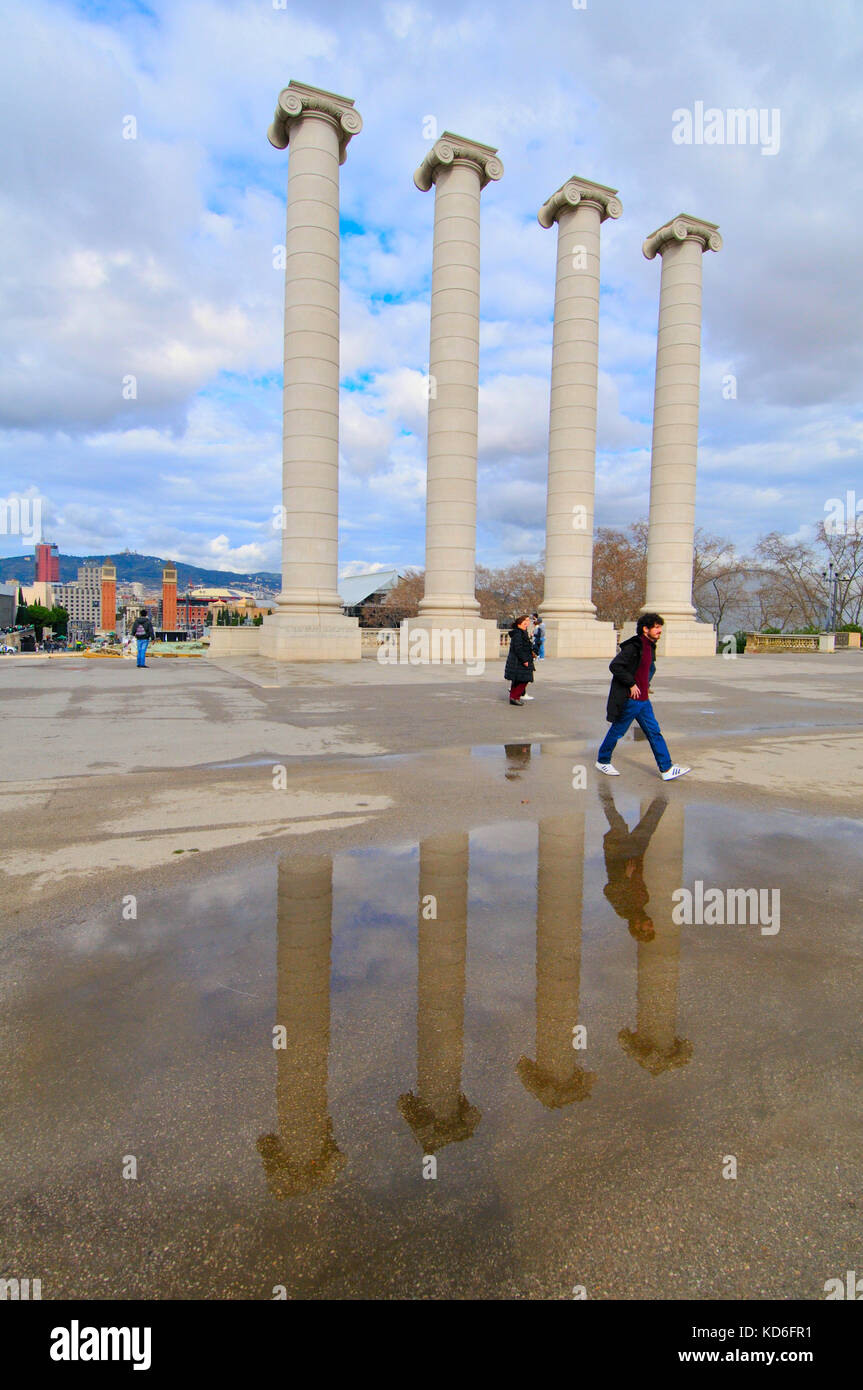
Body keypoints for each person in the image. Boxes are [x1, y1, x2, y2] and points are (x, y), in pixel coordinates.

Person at [595, 612, 690, 781]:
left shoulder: (650, 646)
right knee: (618, 731)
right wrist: (631, 684)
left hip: (643, 701)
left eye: (660, 627)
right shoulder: (634, 646)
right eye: (657, 627)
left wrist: (646, 685)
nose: (660, 631)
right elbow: (615, 666)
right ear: (645, 629)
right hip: (631, 700)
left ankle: (666, 768)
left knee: (654, 732)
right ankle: (603, 760)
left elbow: (648, 670)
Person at [599, 784, 666, 941]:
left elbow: (609, 890)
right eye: (652, 927)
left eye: (648, 928)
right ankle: (664, 794)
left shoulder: (623, 910)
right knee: (651, 822)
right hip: (635, 853)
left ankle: (603, 789)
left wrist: (625, 877)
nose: (651, 924)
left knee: (618, 823)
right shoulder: (644, 901)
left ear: (637, 927)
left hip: (617, 855)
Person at [504, 614, 535, 705]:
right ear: (519, 623)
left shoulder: (522, 632)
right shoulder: (518, 634)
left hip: (519, 660)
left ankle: (514, 697)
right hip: (519, 661)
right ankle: (515, 697)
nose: (527, 623)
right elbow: (518, 649)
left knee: (517, 680)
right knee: (523, 679)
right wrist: (524, 660)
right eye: (525, 621)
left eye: (528, 621)